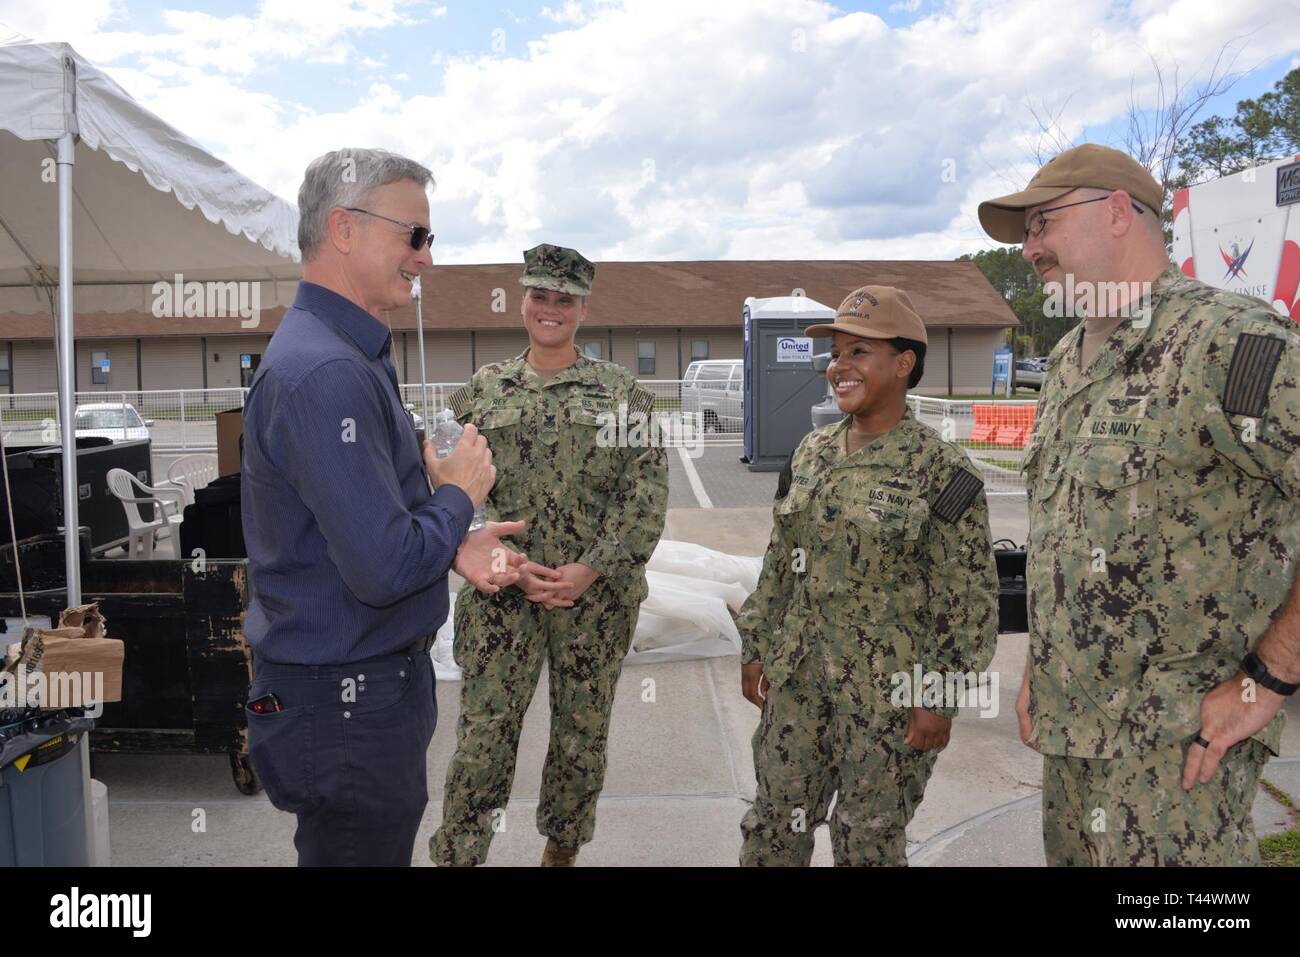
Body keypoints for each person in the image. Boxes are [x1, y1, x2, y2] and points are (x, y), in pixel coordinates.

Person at [978, 142, 1300, 865]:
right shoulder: (1066, 364)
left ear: (1118, 211)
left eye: (1042, 224)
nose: (1030, 248)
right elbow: (1068, 534)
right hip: (1073, 743)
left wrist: (1266, 680)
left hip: (1178, 758)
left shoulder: (1229, 343)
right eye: (1026, 231)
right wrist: (1040, 664)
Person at [241, 147, 530, 866]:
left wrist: (452, 534)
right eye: (415, 235)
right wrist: (460, 493)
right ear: (344, 229)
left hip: (354, 696)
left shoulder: (343, 351)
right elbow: (382, 566)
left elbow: (366, 527)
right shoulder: (328, 369)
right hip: (345, 710)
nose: (426, 258)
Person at [736, 285, 999, 866]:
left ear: (904, 364)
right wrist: (756, 646)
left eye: (858, 352)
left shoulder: (942, 471)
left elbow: (969, 601)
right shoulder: (810, 452)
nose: (839, 367)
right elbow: (781, 562)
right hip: (799, 683)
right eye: (836, 354)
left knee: (867, 843)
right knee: (773, 826)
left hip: (888, 700)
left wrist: (940, 699)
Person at [430, 244, 669, 867]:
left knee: (581, 735)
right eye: (540, 295)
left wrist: (589, 570)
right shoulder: (484, 391)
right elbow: (444, 480)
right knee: (485, 733)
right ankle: (461, 854)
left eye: (565, 299)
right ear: (522, 300)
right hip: (502, 593)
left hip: (592, 601)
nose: (551, 309)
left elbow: (645, 497)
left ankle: (561, 851)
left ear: (584, 308)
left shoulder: (623, 395)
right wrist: (487, 546)